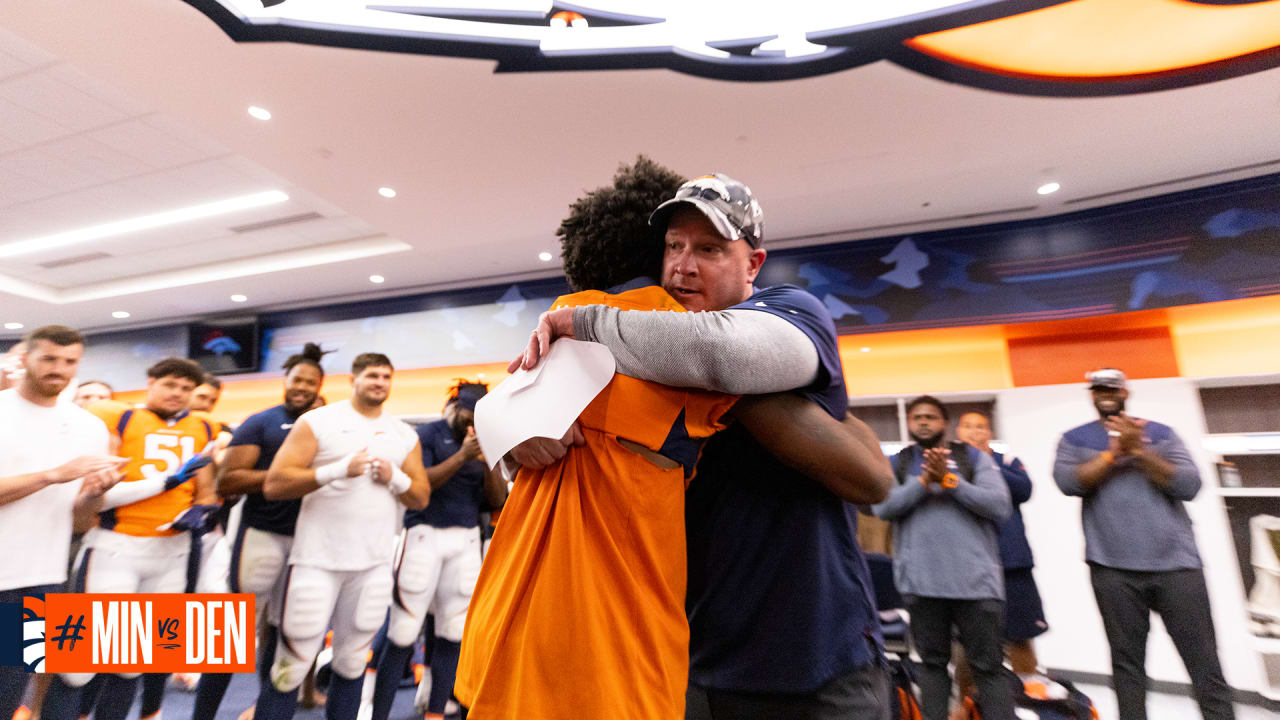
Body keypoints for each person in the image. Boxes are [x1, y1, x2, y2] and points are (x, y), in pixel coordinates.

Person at [473, 169, 892, 720]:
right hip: (691, 660)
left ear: (753, 264)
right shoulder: (640, 345)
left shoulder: (786, 309)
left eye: (711, 249)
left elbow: (723, 355)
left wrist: (585, 322)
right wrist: (515, 426)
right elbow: (507, 414)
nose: (684, 266)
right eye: (674, 246)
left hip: (819, 658)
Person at [42, 358, 219, 720]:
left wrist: (201, 511)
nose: (178, 393)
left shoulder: (203, 427)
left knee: (131, 664)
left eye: (186, 388)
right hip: (114, 545)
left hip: (171, 553)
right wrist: (164, 483)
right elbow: (95, 493)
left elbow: (207, 491)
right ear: (151, 382)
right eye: (171, 384)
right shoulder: (120, 419)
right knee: (76, 666)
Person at [256, 353, 430, 720]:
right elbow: (275, 483)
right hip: (315, 561)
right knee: (291, 667)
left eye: (385, 376)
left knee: (351, 664)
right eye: (371, 375)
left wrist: (395, 479)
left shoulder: (403, 434)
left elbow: (421, 496)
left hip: (372, 566)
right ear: (353, 379)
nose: (379, 382)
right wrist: (336, 470)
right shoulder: (319, 421)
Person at [1054, 368, 1235, 720]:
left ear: (1125, 391)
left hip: (1178, 568)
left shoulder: (1161, 433)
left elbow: (1189, 485)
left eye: (1112, 387)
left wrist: (1140, 452)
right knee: (1127, 668)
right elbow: (1068, 482)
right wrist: (1111, 455)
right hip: (1112, 570)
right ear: (1091, 395)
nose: (1106, 393)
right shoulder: (1073, 439)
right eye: (1099, 389)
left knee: (1205, 664)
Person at [190, 343, 328, 720]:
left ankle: (264, 711)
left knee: (286, 633)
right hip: (261, 534)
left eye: (309, 382)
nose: (301, 386)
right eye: (296, 379)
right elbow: (227, 479)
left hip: (308, 544)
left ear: (320, 385)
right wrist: (289, 477)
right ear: (286, 380)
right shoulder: (261, 422)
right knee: (231, 635)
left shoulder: (329, 426)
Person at [0, 327, 124, 720]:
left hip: (45, 572)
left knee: (12, 689)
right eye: (49, 359)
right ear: (25, 360)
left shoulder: (89, 427)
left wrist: (93, 493)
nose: (59, 369)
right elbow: (53, 478)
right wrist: (53, 474)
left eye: (69, 361)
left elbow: (81, 520)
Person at [370, 380, 505, 720]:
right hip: (421, 535)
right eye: (467, 412)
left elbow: (497, 500)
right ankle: (375, 712)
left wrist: (487, 459)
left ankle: (435, 711)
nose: (471, 420)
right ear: (452, 407)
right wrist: (462, 456)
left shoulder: (485, 439)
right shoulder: (429, 434)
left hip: (464, 540)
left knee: (452, 632)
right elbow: (419, 488)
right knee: (400, 632)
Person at [953, 412, 1047, 684]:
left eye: (980, 427)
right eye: (967, 426)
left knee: (1021, 636)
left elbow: (1024, 490)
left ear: (989, 432)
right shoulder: (949, 464)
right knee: (966, 643)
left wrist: (986, 462)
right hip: (966, 567)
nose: (974, 432)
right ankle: (967, 707)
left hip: (1012, 563)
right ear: (958, 432)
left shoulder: (1006, 461)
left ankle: (1027, 701)